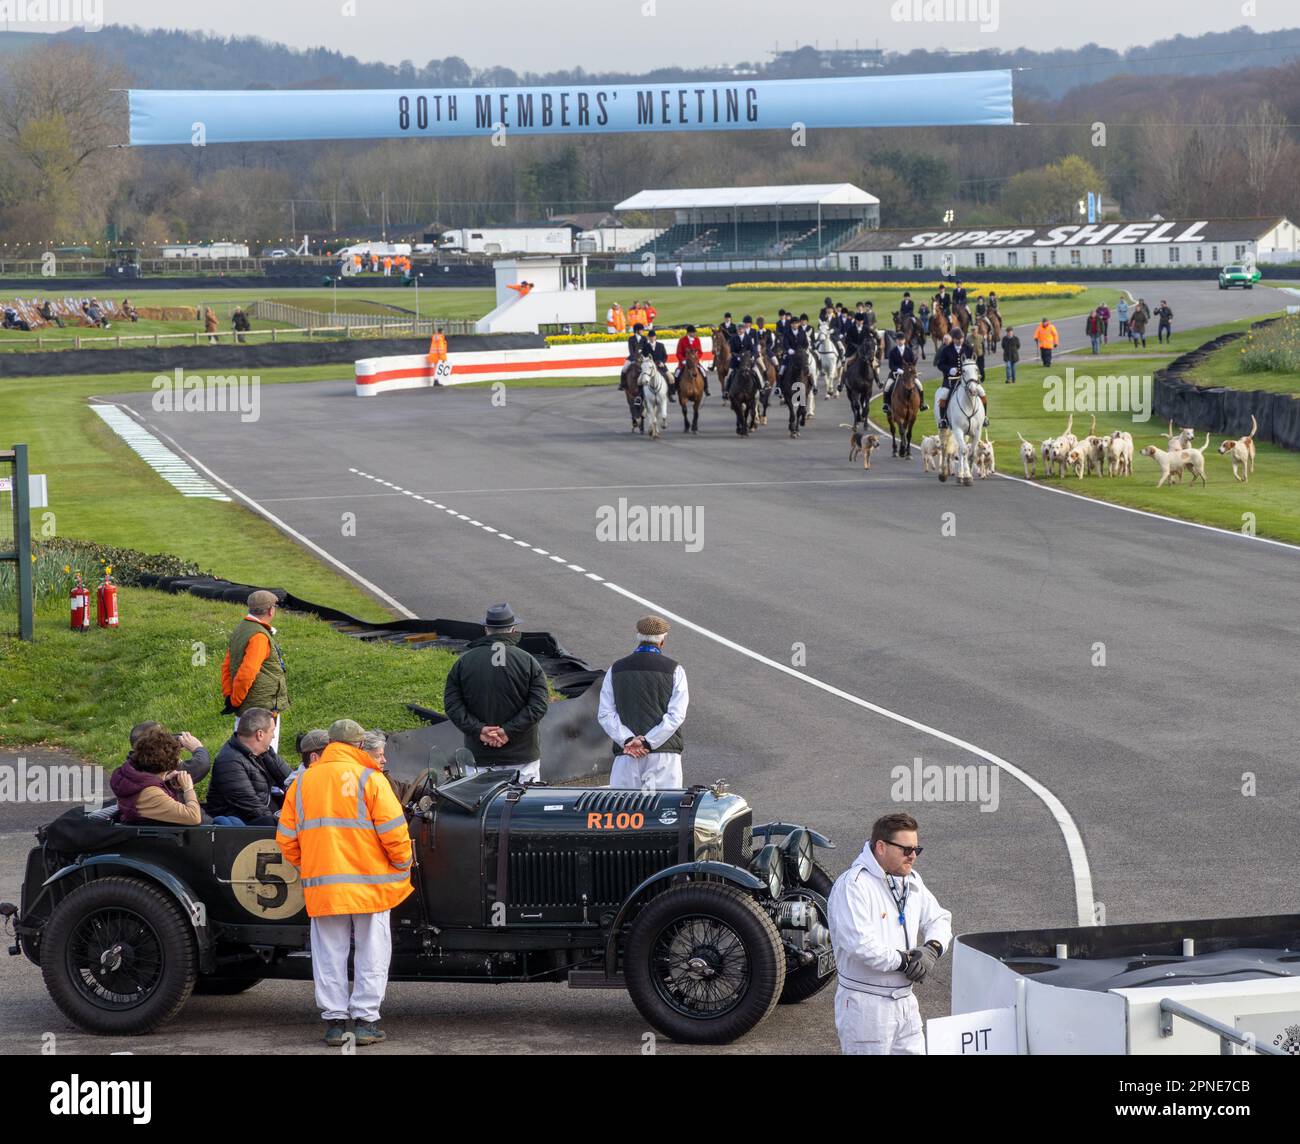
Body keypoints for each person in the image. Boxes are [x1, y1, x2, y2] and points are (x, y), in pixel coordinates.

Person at [277, 718, 413, 1047]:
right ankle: (366, 1021)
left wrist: (310, 864)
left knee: (328, 954)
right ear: (359, 746)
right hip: (371, 884)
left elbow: (286, 839)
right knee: (372, 952)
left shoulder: (303, 782)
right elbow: (394, 831)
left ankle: (335, 1022)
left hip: (324, 885)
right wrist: (403, 863)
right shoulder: (371, 778)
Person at [827, 812, 952, 1055]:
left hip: (906, 1003)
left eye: (916, 849)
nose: (913, 856)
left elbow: (939, 917)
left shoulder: (911, 881)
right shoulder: (853, 886)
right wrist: (905, 961)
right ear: (881, 847)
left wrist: (931, 949)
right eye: (906, 850)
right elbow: (859, 944)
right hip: (866, 1007)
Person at [442, 603, 549, 783]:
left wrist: (479, 730)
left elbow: (452, 705)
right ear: (513, 629)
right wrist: (507, 731)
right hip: (522, 757)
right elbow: (538, 705)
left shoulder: (463, 662)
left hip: (479, 756)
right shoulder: (528, 661)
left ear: (486, 629)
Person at [598, 615, 689, 791]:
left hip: (627, 755)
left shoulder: (616, 669)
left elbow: (606, 713)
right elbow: (676, 715)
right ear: (663, 640)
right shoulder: (675, 670)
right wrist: (648, 742)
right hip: (664, 755)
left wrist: (628, 740)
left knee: (624, 810)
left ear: (638, 637)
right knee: (662, 810)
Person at [221, 589, 289, 751]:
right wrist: (235, 700)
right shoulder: (258, 636)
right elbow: (247, 672)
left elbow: (226, 666)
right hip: (261, 707)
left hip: (247, 705)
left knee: (243, 751)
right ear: (271, 610)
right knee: (264, 755)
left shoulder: (241, 629)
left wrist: (229, 696)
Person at [206, 707, 292, 826]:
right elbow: (252, 807)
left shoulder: (263, 751)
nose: (273, 736)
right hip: (241, 824)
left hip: (262, 813)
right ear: (260, 734)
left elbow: (292, 781)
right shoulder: (229, 761)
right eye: (272, 731)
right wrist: (283, 823)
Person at [110, 727, 205, 826]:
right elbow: (194, 817)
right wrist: (188, 789)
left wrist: (161, 780)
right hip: (168, 837)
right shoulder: (150, 794)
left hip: (150, 828)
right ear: (171, 764)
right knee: (221, 821)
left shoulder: (128, 775)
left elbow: (142, 786)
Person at [126, 721, 211, 785]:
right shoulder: (155, 766)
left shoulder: (131, 765)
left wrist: (171, 746)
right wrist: (198, 748)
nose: (167, 737)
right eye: (161, 736)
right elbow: (201, 765)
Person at [882, 338, 924, 410]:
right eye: (898, 340)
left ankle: (922, 404)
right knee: (887, 386)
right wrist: (898, 370)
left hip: (909, 374)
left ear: (904, 341)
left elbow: (912, 362)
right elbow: (891, 365)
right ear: (896, 341)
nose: (900, 341)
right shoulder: (892, 351)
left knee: (920, 385)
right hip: (896, 373)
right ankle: (887, 404)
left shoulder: (909, 351)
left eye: (902, 340)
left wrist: (910, 369)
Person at [674, 324, 707, 397]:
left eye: (694, 332)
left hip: (695, 363)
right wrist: (683, 360)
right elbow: (678, 353)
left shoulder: (697, 340)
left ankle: (705, 388)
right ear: (688, 333)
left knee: (703, 372)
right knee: (677, 373)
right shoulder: (682, 340)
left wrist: (696, 359)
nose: (694, 334)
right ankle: (675, 388)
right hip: (684, 363)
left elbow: (700, 352)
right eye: (693, 332)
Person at [619, 322, 652, 392]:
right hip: (632, 357)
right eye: (641, 330)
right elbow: (631, 350)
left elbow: (646, 349)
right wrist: (635, 358)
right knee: (624, 368)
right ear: (637, 330)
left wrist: (644, 357)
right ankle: (622, 384)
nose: (643, 331)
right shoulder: (631, 339)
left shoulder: (644, 338)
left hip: (642, 358)